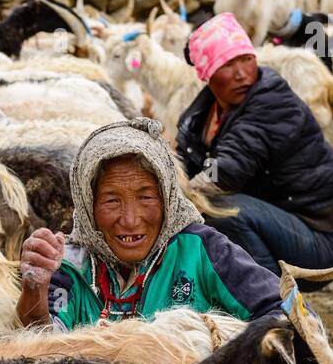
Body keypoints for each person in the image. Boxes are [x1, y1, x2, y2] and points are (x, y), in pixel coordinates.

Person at [17, 118, 283, 330]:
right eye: (112, 201)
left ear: (167, 198)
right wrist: (35, 287)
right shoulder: (70, 264)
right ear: (88, 205)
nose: (131, 220)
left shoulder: (200, 250)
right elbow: (43, 345)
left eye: (145, 197)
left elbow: (281, 313)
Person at [175, 11, 333, 278]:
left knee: (222, 211)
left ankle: (273, 306)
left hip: (318, 236)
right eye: (227, 65)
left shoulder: (272, 101)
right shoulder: (201, 115)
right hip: (275, 222)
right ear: (206, 73)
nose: (241, 74)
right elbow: (184, 156)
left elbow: (226, 171)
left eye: (247, 60)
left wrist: (179, 198)